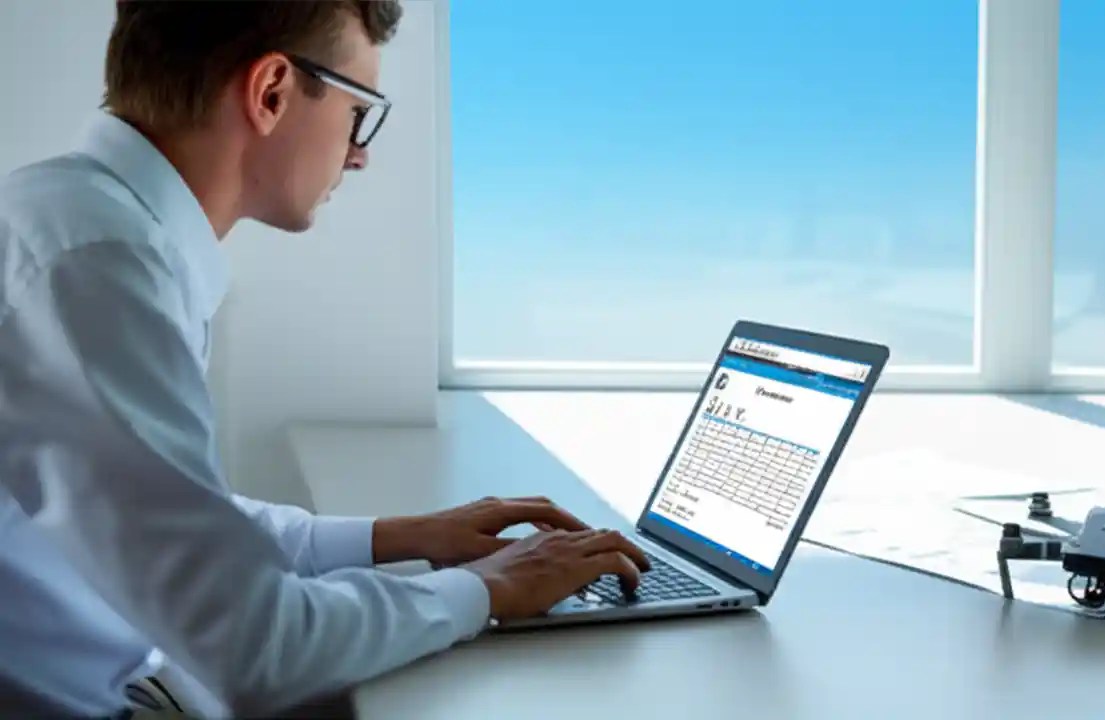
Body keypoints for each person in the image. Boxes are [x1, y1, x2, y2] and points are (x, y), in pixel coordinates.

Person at [0, 1, 648, 717]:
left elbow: (173, 519)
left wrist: (397, 537)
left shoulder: (69, 218)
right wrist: (489, 588)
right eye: (357, 110)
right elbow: (260, 647)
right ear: (271, 91)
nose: (361, 152)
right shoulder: (97, 268)